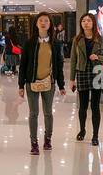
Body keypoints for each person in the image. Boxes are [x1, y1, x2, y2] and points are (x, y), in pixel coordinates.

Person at [17, 11, 66, 155]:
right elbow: (23, 64)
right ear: (36, 24)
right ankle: (34, 143)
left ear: (50, 24)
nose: (43, 23)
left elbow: (59, 65)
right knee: (33, 113)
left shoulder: (55, 43)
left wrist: (61, 85)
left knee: (48, 113)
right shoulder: (29, 43)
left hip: (48, 82)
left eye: (46, 21)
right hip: (31, 82)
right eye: (41, 21)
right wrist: (21, 86)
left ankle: (48, 139)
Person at [71, 11, 103, 146]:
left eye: (88, 20)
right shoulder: (77, 40)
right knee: (82, 106)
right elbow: (73, 60)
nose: (86, 23)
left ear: (93, 23)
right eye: (83, 21)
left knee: (95, 106)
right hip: (82, 72)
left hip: (98, 73)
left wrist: (98, 57)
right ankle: (82, 131)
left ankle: (95, 135)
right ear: (81, 24)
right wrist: (71, 79)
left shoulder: (101, 40)